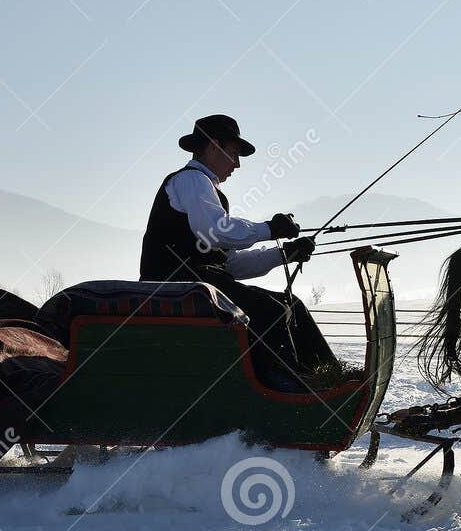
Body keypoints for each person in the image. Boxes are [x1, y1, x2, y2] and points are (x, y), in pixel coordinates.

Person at [139, 114, 341, 384]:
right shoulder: (192, 180)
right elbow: (215, 232)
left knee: (291, 304)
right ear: (213, 146)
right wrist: (270, 229)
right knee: (271, 311)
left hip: (202, 282)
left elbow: (229, 264)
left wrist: (283, 254)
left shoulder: (207, 189)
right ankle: (288, 388)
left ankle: (328, 379)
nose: (237, 164)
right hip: (176, 283)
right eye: (233, 154)